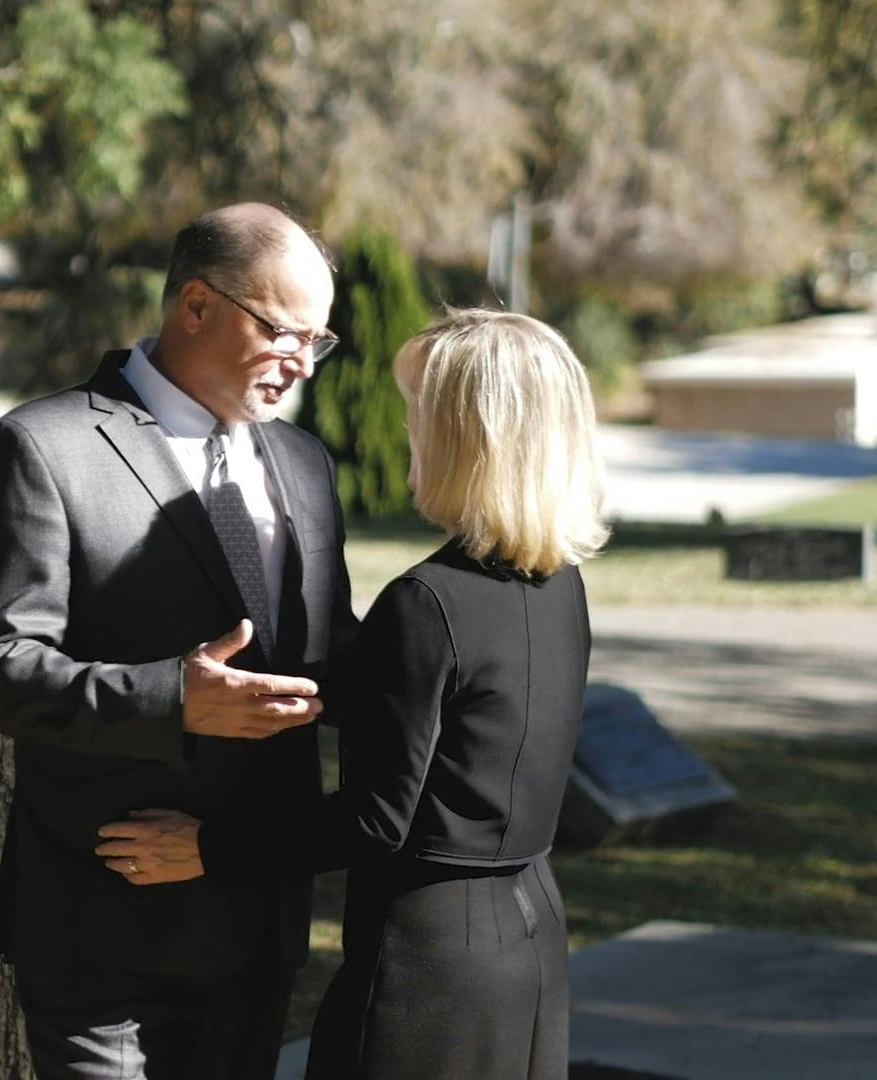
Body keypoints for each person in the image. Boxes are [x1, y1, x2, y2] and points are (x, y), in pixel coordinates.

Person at [99, 309, 610, 1079]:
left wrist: (204, 847)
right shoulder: (556, 582)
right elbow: (461, 713)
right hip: (530, 942)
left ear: (463, 435)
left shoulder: (428, 599)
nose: (407, 429)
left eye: (417, 412)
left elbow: (375, 820)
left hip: (429, 966)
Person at [0, 202, 361, 1079]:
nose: (301, 361)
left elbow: (329, 652)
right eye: (286, 330)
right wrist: (174, 700)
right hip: (106, 924)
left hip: (257, 916)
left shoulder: (304, 465)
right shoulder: (43, 446)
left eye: (317, 342)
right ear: (198, 306)